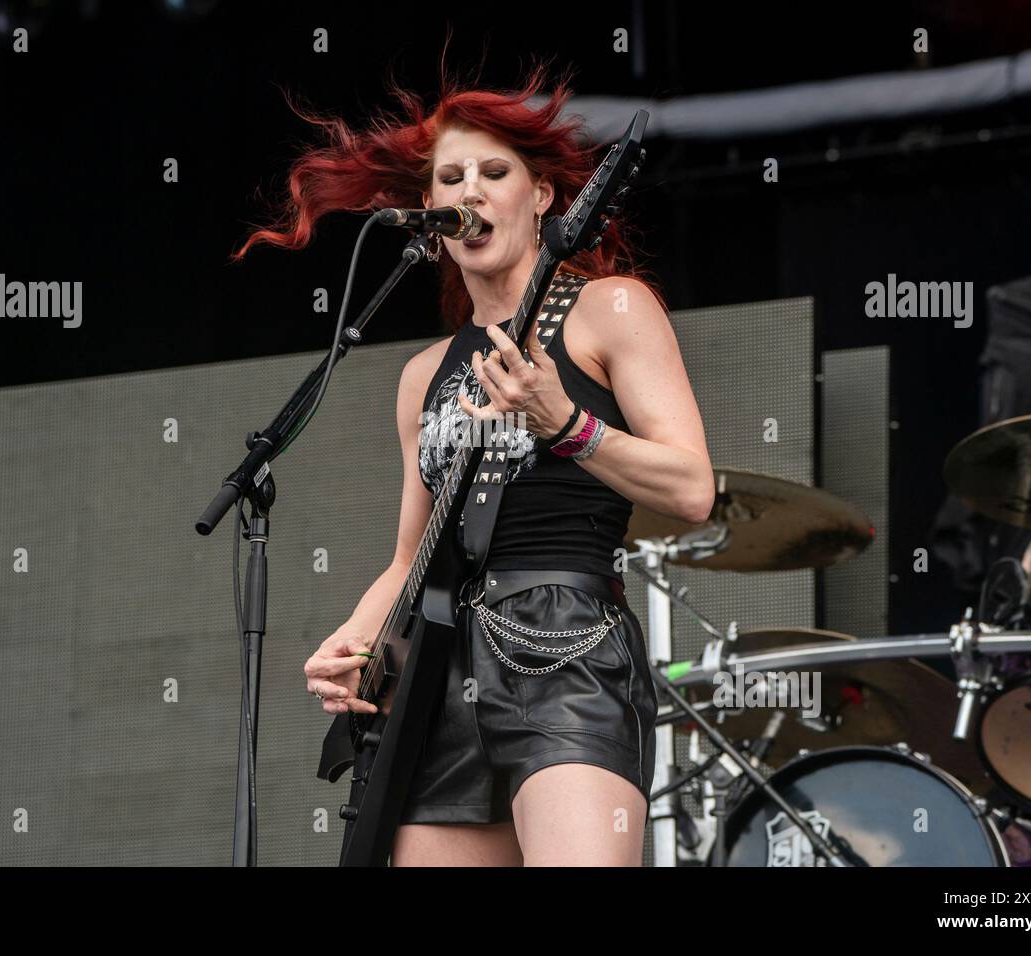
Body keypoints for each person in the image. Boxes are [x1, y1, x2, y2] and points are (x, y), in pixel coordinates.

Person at [234, 63, 714, 866]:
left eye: (495, 173)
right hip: (440, 670)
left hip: (567, 647)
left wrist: (564, 421)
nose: (473, 190)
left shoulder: (611, 308)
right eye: (451, 178)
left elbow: (693, 488)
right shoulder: (423, 375)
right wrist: (353, 642)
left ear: (543, 197)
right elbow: (407, 559)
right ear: (431, 214)